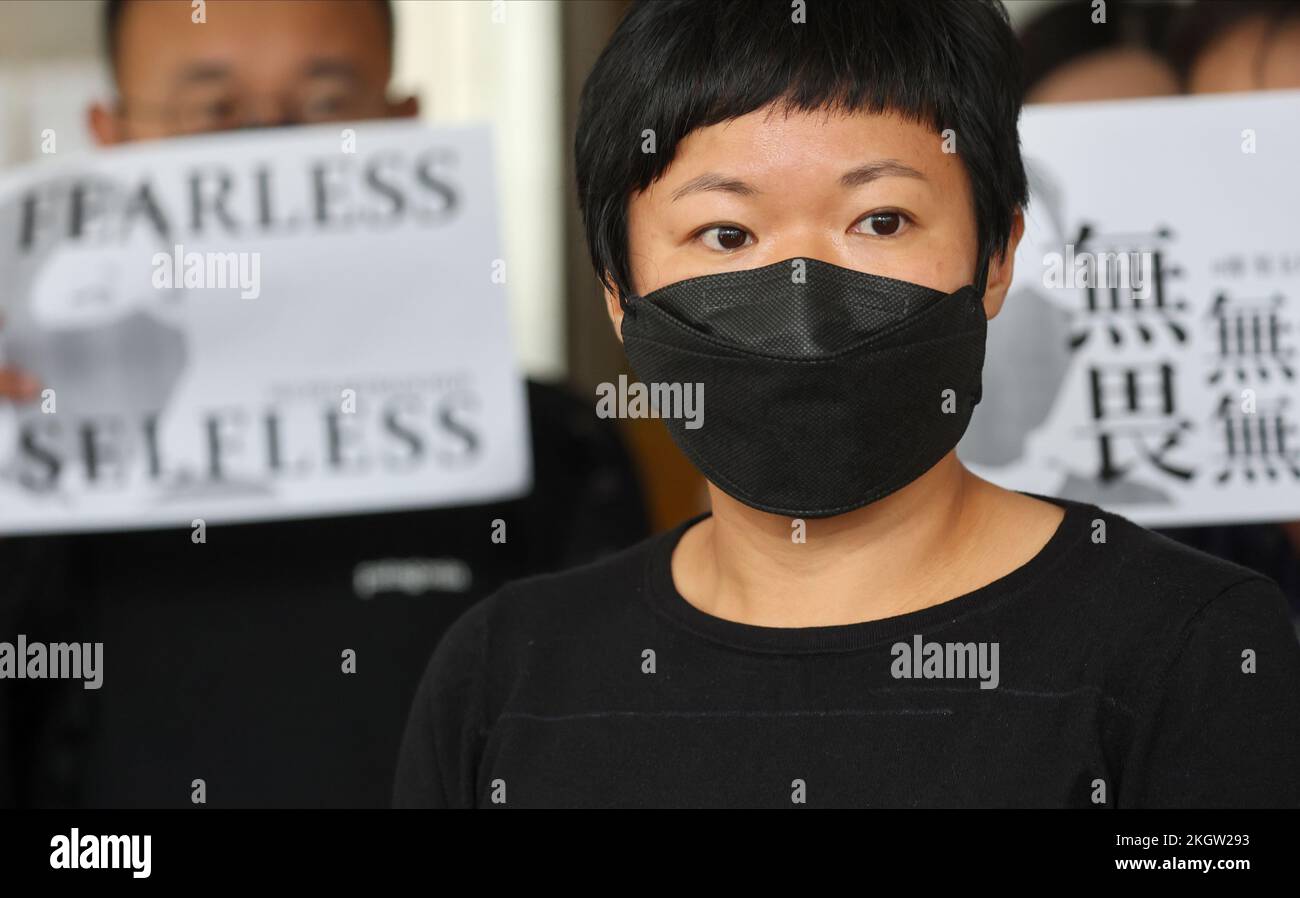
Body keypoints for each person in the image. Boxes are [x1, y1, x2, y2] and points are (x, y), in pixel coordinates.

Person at [393, 0, 1300, 808]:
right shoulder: (502, 673)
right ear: (616, 290)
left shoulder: (1192, 650)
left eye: (881, 220)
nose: (803, 302)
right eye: (725, 233)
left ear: (997, 256)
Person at [0, 0, 648, 808]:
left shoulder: (556, 451)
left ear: (404, 125)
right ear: (113, 138)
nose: (268, 149)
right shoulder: (33, 468)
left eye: (325, 105)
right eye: (213, 110)